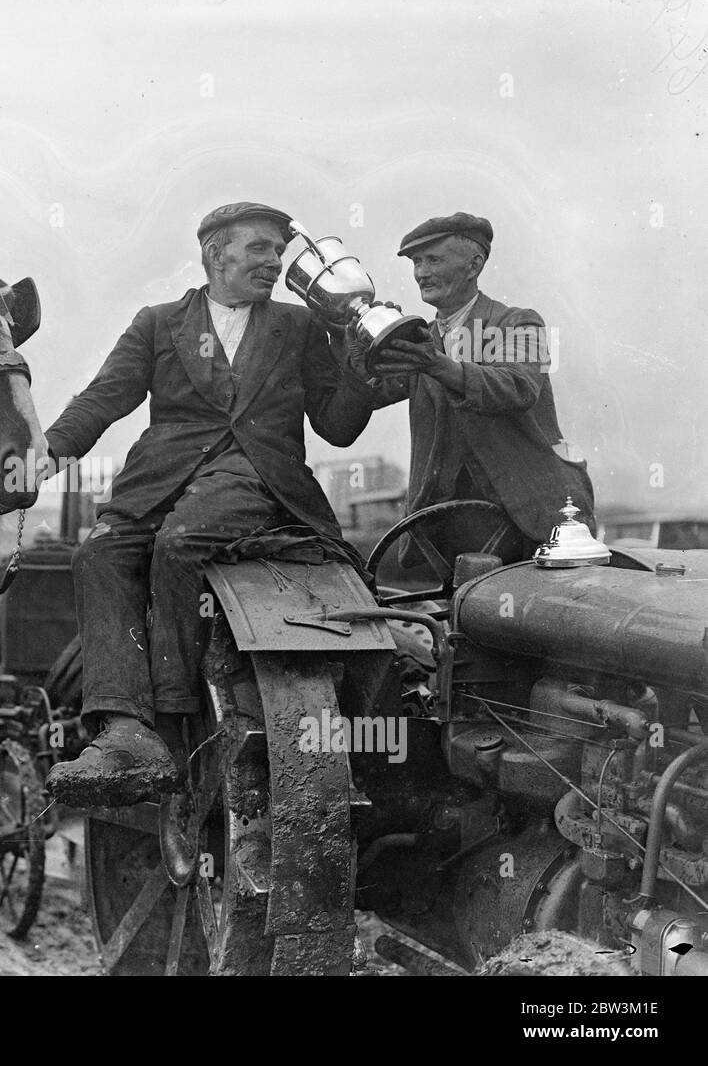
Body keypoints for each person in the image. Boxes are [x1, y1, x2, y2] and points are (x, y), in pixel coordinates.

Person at [38, 202, 379, 808]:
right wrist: (43, 457)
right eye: (258, 248)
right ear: (215, 253)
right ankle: (122, 727)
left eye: (278, 250)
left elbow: (339, 426)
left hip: (259, 478)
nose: (274, 261)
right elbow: (103, 399)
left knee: (179, 543)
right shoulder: (159, 322)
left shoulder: (300, 327)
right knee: (98, 552)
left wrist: (365, 367)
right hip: (160, 479)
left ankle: (170, 719)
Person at [361, 212, 594, 563]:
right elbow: (369, 394)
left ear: (474, 266)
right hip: (451, 529)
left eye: (434, 259)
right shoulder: (420, 340)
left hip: (535, 523)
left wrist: (437, 364)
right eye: (417, 262)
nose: (421, 273)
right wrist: (351, 339)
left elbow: (516, 387)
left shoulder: (519, 323)